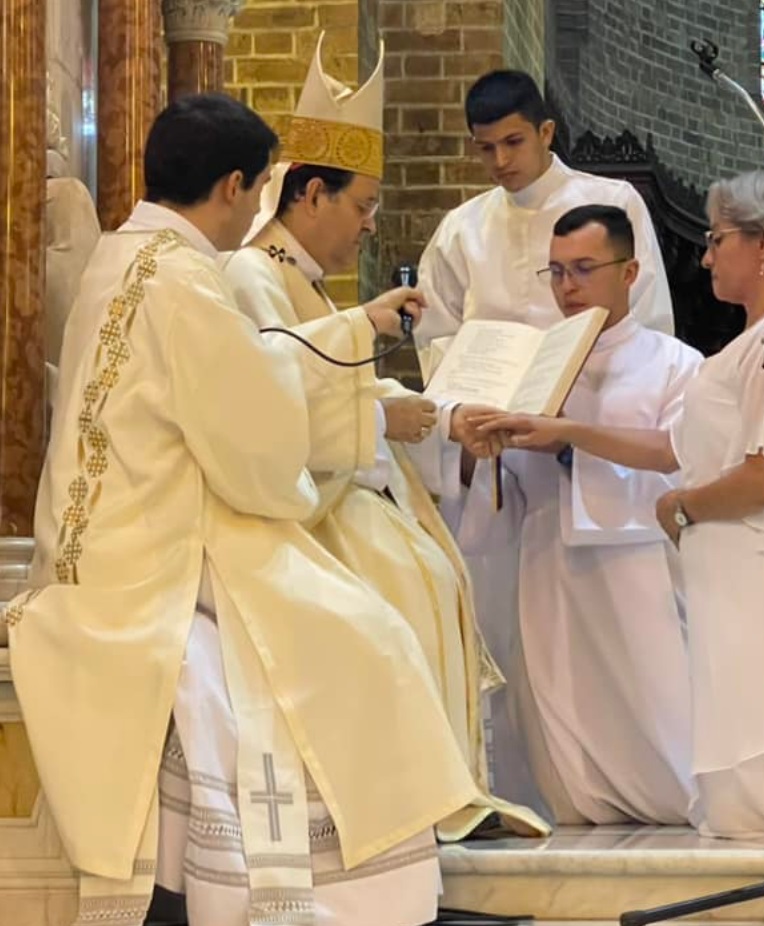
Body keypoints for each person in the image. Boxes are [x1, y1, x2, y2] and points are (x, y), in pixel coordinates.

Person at [2, 93, 479, 926]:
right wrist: (297, 484)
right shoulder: (188, 280)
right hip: (158, 559)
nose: (259, 208)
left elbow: (246, 380)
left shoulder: (123, 252)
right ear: (232, 185)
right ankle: (349, 894)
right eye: (261, 188)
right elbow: (251, 455)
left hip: (106, 542)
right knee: (365, 638)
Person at [478, 170, 764, 900]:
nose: (706, 256)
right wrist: (562, 430)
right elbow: (673, 446)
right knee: (753, 710)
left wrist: (681, 509)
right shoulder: (754, 339)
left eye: (717, 240)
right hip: (733, 566)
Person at [223, 35, 547, 841]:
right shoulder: (250, 277)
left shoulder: (299, 279)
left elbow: (345, 385)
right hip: (291, 509)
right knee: (406, 584)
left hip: (340, 482)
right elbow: (262, 405)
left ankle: (442, 798)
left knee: (429, 571)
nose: (370, 224)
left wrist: (439, 417)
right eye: (363, 205)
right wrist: (378, 421)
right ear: (309, 196)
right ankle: (413, 805)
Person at [456, 205, 700, 824]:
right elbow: (499, 480)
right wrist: (474, 451)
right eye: (556, 272)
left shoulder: (674, 363)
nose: (567, 287)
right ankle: (575, 816)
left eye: (584, 269)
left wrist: (570, 438)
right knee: (557, 704)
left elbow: (680, 458)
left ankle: (680, 813)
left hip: (633, 556)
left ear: (630, 272)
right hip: (544, 553)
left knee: (652, 702)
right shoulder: (534, 362)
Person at [415, 68, 674, 381]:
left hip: (594, 401)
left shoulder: (614, 202)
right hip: (490, 410)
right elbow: (436, 336)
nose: (500, 160)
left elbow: (648, 316)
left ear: (546, 133)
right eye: (487, 148)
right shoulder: (460, 228)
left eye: (513, 142)